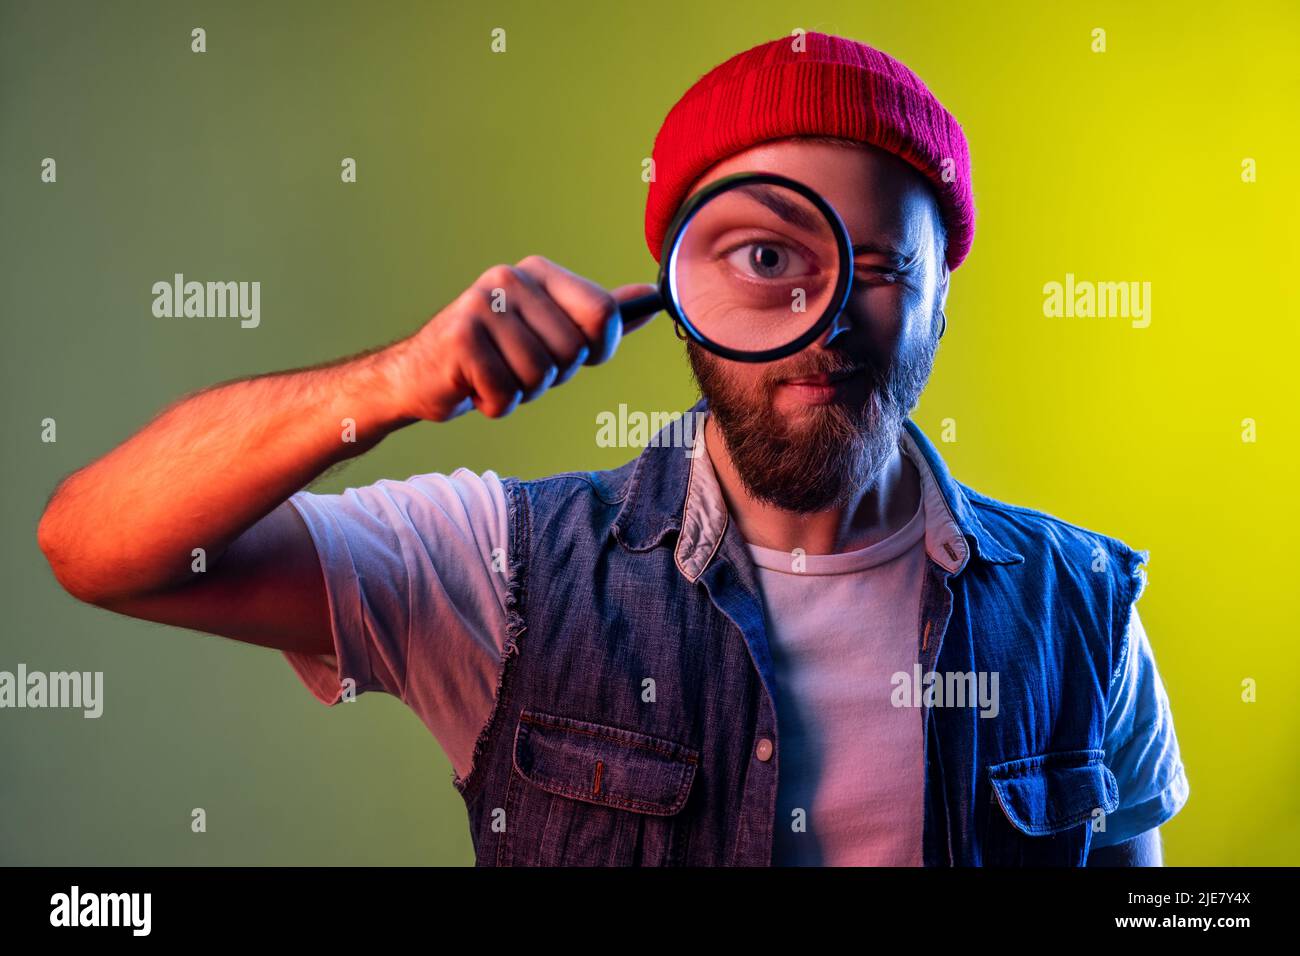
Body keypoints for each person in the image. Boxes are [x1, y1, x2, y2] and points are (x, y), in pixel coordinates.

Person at [37, 31, 1188, 866]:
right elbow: (99, 544)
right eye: (766, 258)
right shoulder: (504, 570)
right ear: (681, 285)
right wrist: (395, 382)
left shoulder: (1077, 603)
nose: (826, 321)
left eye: (881, 268)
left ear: (944, 296)